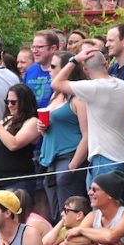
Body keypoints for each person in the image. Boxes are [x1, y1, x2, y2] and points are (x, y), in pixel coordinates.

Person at [50, 45, 124, 185]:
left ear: (85, 70)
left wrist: (74, 59)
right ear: (106, 64)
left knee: (101, 205)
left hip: (105, 157)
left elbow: (56, 83)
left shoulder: (93, 88)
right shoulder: (121, 84)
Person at [38, 51, 88, 222]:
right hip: (51, 159)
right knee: (56, 214)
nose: (49, 70)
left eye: (54, 66)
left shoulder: (78, 97)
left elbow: (87, 134)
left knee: (70, 215)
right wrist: (43, 127)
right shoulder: (56, 95)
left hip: (69, 157)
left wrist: (72, 166)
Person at [0, 84, 40, 193]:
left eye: (13, 102)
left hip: (18, 181)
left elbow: (13, 144)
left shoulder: (32, 121)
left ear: (24, 102)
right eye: (7, 102)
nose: (9, 105)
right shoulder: (7, 120)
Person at [24, 30, 59, 108]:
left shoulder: (61, 71)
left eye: (39, 47)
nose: (34, 51)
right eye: (33, 47)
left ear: (53, 48)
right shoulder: (30, 70)